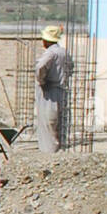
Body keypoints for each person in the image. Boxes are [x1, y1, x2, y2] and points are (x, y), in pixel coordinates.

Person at [34, 25, 73, 153]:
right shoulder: (64, 52)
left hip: (49, 91)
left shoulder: (51, 53)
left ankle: (49, 152)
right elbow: (71, 68)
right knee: (60, 122)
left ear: (46, 40)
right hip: (62, 90)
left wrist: (42, 80)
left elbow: (40, 67)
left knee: (48, 123)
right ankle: (60, 149)